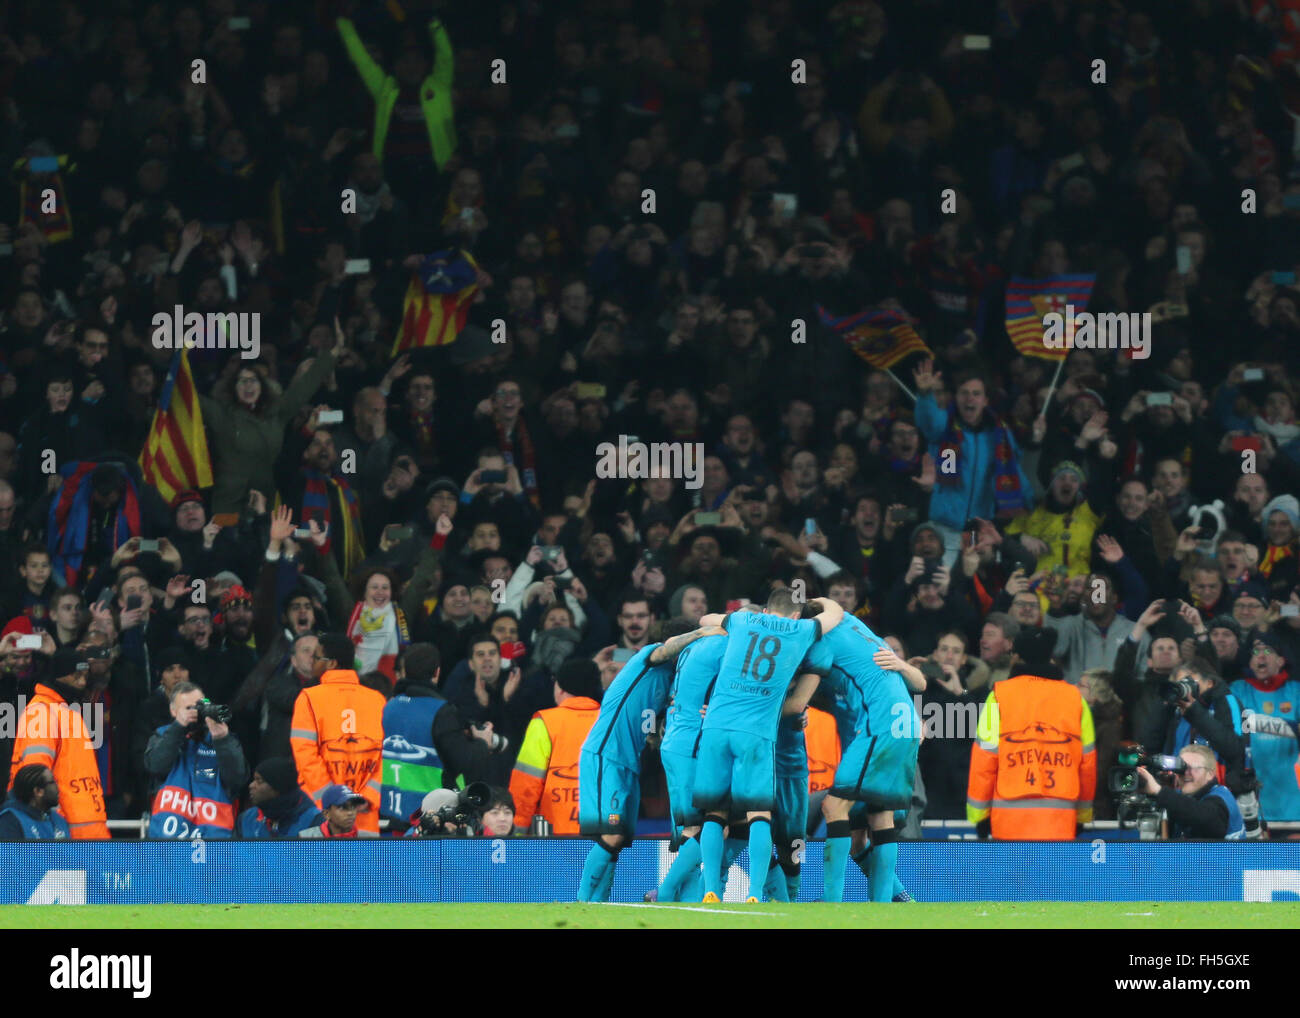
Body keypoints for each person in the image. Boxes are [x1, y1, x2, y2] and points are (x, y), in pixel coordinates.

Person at [692, 591, 845, 904]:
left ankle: (709, 889)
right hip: (756, 733)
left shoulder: (744, 620)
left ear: (765, 609)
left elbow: (706, 620)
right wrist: (826, 602)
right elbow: (835, 615)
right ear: (794, 616)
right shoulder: (801, 631)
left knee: (714, 814)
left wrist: (728, 623)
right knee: (758, 814)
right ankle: (754, 893)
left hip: (716, 727)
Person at [576, 616, 719, 902]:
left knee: (618, 840)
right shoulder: (649, 656)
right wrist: (702, 633)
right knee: (612, 835)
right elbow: (666, 650)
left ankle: (598, 904)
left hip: (628, 763)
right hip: (607, 754)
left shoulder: (671, 682)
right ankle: (580, 902)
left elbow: (653, 734)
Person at [803, 611, 920, 903]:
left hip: (874, 744)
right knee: (865, 831)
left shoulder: (876, 667)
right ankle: (894, 902)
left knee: (835, 807)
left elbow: (920, 684)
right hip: (863, 751)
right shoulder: (841, 671)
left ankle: (832, 902)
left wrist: (902, 666)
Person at [967, 628, 1096, 840]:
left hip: (1008, 824)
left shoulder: (999, 696)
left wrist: (979, 816)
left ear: (1017, 657)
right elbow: (1087, 765)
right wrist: (1082, 816)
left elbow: (985, 760)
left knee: (1013, 875)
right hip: (1060, 823)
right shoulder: (1075, 699)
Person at [380, 643, 506, 824]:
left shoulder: (387, 707)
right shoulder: (440, 711)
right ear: (437, 673)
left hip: (387, 813)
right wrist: (483, 744)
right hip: (427, 817)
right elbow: (463, 762)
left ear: (404, 672)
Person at [654, 623, 728, 903]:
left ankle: (688, 902)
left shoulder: (693, 647)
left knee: (689, 826)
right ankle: (666, 891)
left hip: (674, 744)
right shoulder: (726, 647)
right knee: (703, 824)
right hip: (692, 745)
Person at [7, 647, 108, 839]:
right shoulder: (41, 713)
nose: (82, 682)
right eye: (75, 675)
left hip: (87, 832)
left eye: (85, 675)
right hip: (61, 835)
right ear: (59, 676)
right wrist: (51, 826)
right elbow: (34, 780)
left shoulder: (68, 712)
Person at [290, 632, 387, 832]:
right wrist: (367, 798)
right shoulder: (377, 700)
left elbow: (306, 757)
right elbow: (386, 756)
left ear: (331, 664)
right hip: (365, 814)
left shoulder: (308, 698)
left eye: (316, 657)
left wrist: (333, 802)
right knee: (367, 864)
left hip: (322, 816)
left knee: (321, 863)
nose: (312, 661)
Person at [143, 681, 248, 839]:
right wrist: (179, 727)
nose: (196, 712)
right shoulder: (163, 735)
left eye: (199, 706)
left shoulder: (221, 738)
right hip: (169, 843)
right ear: (173, 710)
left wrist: (222, 739)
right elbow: (156, 766)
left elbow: (238, 779)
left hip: (215, 843)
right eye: (188, 708)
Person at [508, 658, 602, 834]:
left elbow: (526, 785)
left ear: (560, 687)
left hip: (552, 835)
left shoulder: (545, 722)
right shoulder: (610, 723)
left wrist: (517, 831)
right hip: (602, 835)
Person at [1231, 632, 1300, 823]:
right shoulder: (1237, 689)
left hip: (1292, 798)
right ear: (1250, 662)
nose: (1260, 655)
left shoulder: (1296, 691)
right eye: (1255, 651)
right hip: (1250, 795)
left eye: (1268, 650)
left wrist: (1266, 725)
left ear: (1281, 660)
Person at [1135, 744, 1245, 839]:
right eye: (1181, 768)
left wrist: (1158, 791)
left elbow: (1204, 819)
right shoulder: (1184, 796)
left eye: (1194, 768)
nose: (1186, 773)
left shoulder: (1221, 798)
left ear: (1210, 774)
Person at [237, 757, 323, 839]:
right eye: (254, 780)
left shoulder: (314, 820)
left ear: (278, 787)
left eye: (259, 781)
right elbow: (234, 853)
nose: (251, 785)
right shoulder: (247, 819)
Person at [0, 764, 70, 840]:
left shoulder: (58, 820)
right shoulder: (10, 822)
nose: (57, 787)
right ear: (38, 791)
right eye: (52, 782)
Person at [298, 783, 378, 838]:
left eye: (353, 807)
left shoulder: (372, 840)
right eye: (342, 807)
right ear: (326, 814)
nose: (350, 813)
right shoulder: (305, 838)